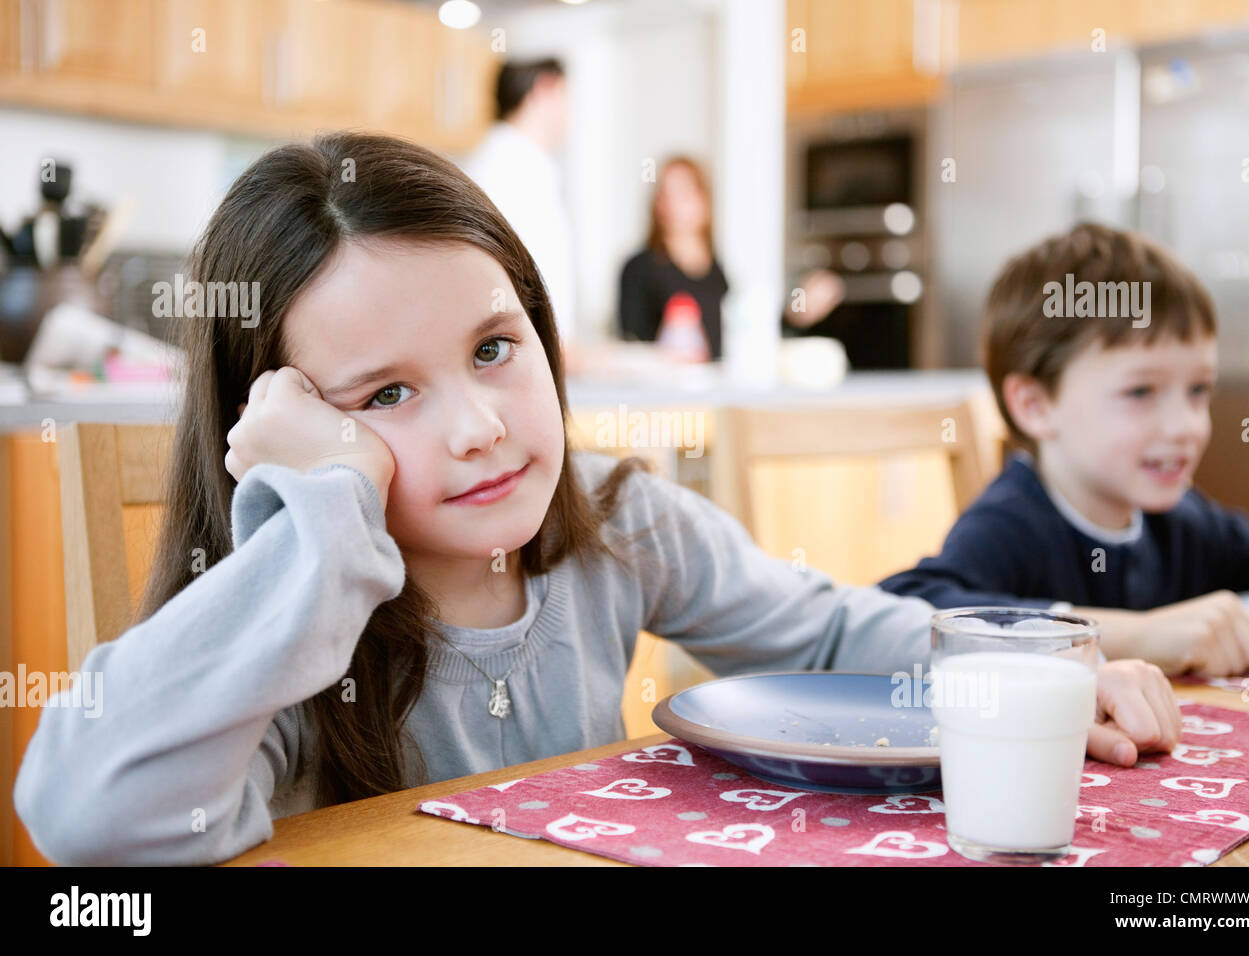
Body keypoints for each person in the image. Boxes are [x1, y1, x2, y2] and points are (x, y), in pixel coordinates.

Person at [14, 137, 1180, 865]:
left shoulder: (616, 515)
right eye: (384, 394)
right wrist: (323, 519)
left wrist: (1026, 683)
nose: (478, 424)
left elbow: (825, 629)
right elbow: (86, 821)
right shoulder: (281, 625)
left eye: (491, 347)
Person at [878, 222, 1249, 678]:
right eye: (1140, 392)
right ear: (1035, 405)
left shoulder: (1180, 523)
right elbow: (908, 605)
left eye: (1199, 390)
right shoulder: (1011, 524)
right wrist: (1127, 635)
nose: (1186, 426)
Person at [618, 156, 844, 361]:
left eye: (684, 194)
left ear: (704, 202)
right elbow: (631, 346)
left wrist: (798, 311)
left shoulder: (716, 270)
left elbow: (744, 329)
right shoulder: (638, 268)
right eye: (665, 194)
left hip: (715, 391)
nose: (673, 205)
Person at [461, 57, 576, 347]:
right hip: (524, 346)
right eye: (565, 96)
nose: (569, 113)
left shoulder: (520, 163)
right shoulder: (510, 168)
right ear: (544, 89)